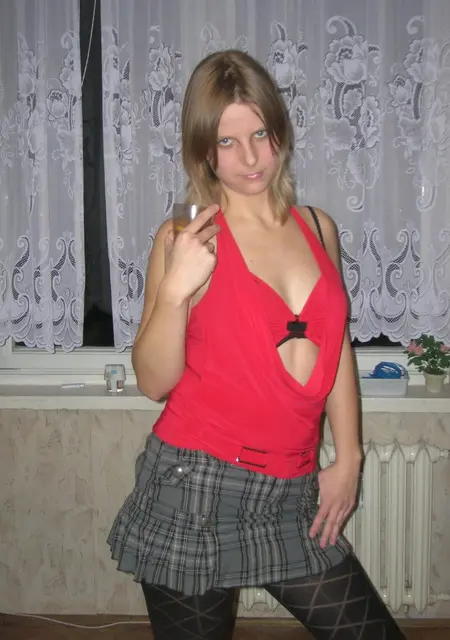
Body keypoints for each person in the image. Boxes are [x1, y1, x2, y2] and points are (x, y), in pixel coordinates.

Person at [108, 50, 405, 639]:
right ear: (203, 151)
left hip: (293, 491)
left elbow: (336, 350)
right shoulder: (187, 235)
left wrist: (348, 456)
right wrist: (175, 291)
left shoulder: (318, 227)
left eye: (260, 134)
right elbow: (153, 382)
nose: (249, 158)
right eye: (227, 141)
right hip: (196, 487)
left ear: (279, 132)